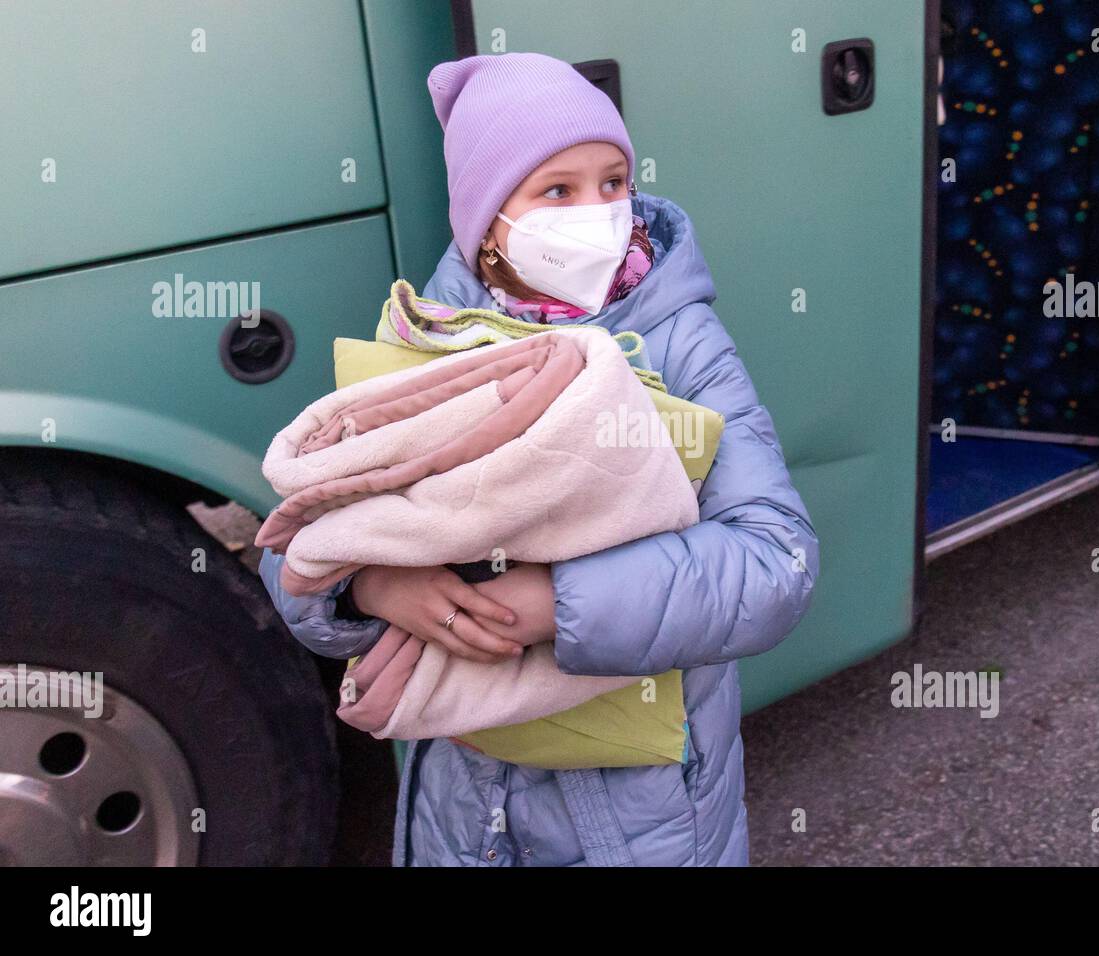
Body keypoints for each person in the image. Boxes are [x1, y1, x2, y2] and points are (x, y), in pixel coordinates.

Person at [259, 51, 819, 866]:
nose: (599, 212)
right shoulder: (428, 337)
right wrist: (375, 583)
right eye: (557, 190)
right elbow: (296, 543)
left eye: (614, 181)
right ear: (489, 221)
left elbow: (777, 560)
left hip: (641, 820)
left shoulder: (680, 339)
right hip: (463, 807)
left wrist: (559, 604)